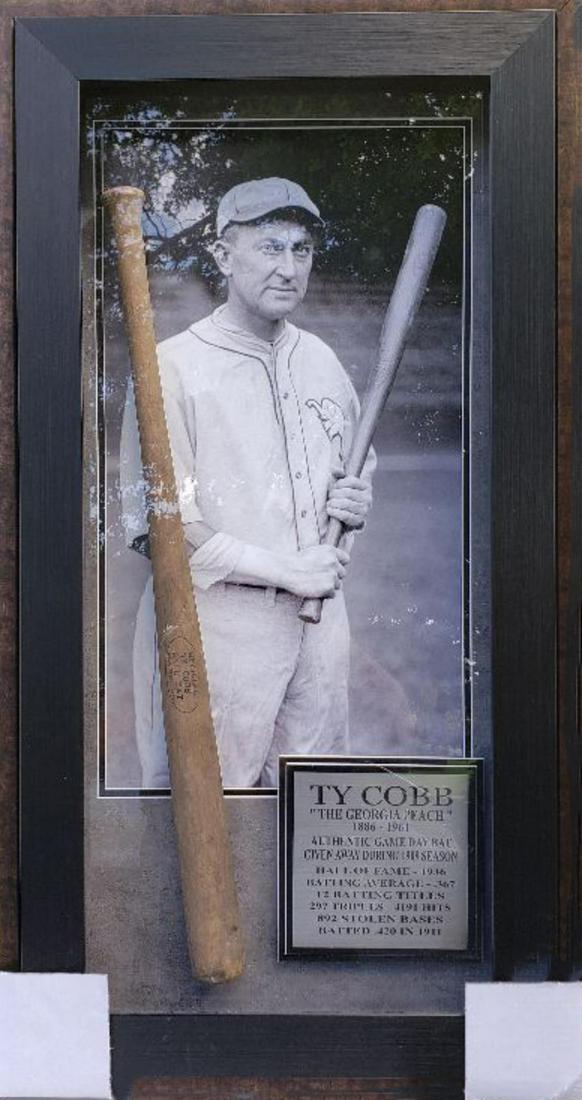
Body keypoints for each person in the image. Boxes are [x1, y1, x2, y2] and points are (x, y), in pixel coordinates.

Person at [120, 176, 376, 789]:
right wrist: (285, 570)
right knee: (208, 827)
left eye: (301, 250)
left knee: (311, 822)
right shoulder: (172, 369)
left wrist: (356, 498)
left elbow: (356, 470)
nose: (289, 268)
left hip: (318, 636)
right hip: (216, 634)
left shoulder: (320, 358)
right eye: (269, 247)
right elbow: (159, 529)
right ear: (222, 255)